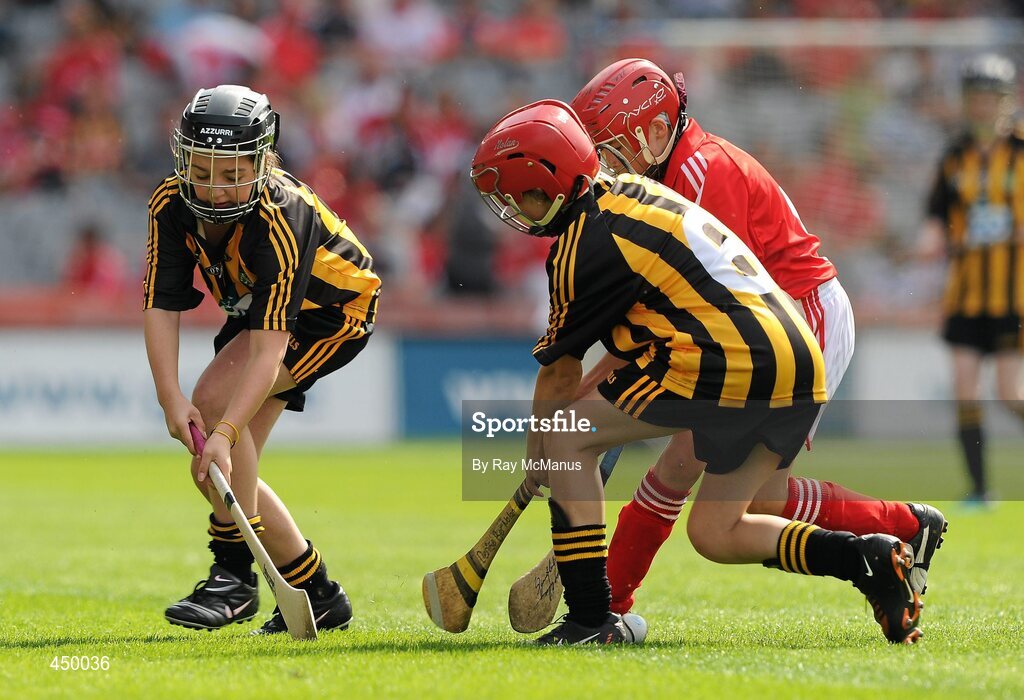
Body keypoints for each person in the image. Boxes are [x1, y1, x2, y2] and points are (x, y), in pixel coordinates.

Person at [469, 99, 924, 645]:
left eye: (525, 195)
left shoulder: (583, 244)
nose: (518, 208)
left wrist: (541, 447)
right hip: (794, 359)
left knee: (568, 440)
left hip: (728, 360)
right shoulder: (638, 196)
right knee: (716, 531)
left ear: (555, 185)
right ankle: (867, 557)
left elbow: (560, 379)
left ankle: (593, 619)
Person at [569, 58, 946, 614]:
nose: (606, 165)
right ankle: (907, 524)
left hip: (795, 319)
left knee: (684, 467)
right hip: (761, 326)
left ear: (654, 131)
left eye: (614, 148)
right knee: (762, 499)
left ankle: (608, 604)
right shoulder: (667, 175)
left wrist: (598, 399)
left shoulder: (700, 175)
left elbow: (710, 303)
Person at [143, 85, 381, 634]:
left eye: (232, 173)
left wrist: (222, 425)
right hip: (257, 307)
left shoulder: (280, 215)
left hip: (332, 312)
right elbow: (160, 303)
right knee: (226, 466)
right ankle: (317, 591)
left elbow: (271, 349)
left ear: (262, 162)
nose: (214, 188)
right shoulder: (169, 204)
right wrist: (167, 396)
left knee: (216, 417)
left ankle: (233, 577)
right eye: (201, 170)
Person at [921, 53, 1024, 505]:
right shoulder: (954, 156)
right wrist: (924, 244)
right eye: (975, 98)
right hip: (965, 294)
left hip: (1013, 294)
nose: (982, 106)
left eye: (990, 98)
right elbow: (935, 217)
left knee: (1009, 393)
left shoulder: (1021, 151)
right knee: (965, 392)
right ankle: (980, 491)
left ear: (1005, 101)